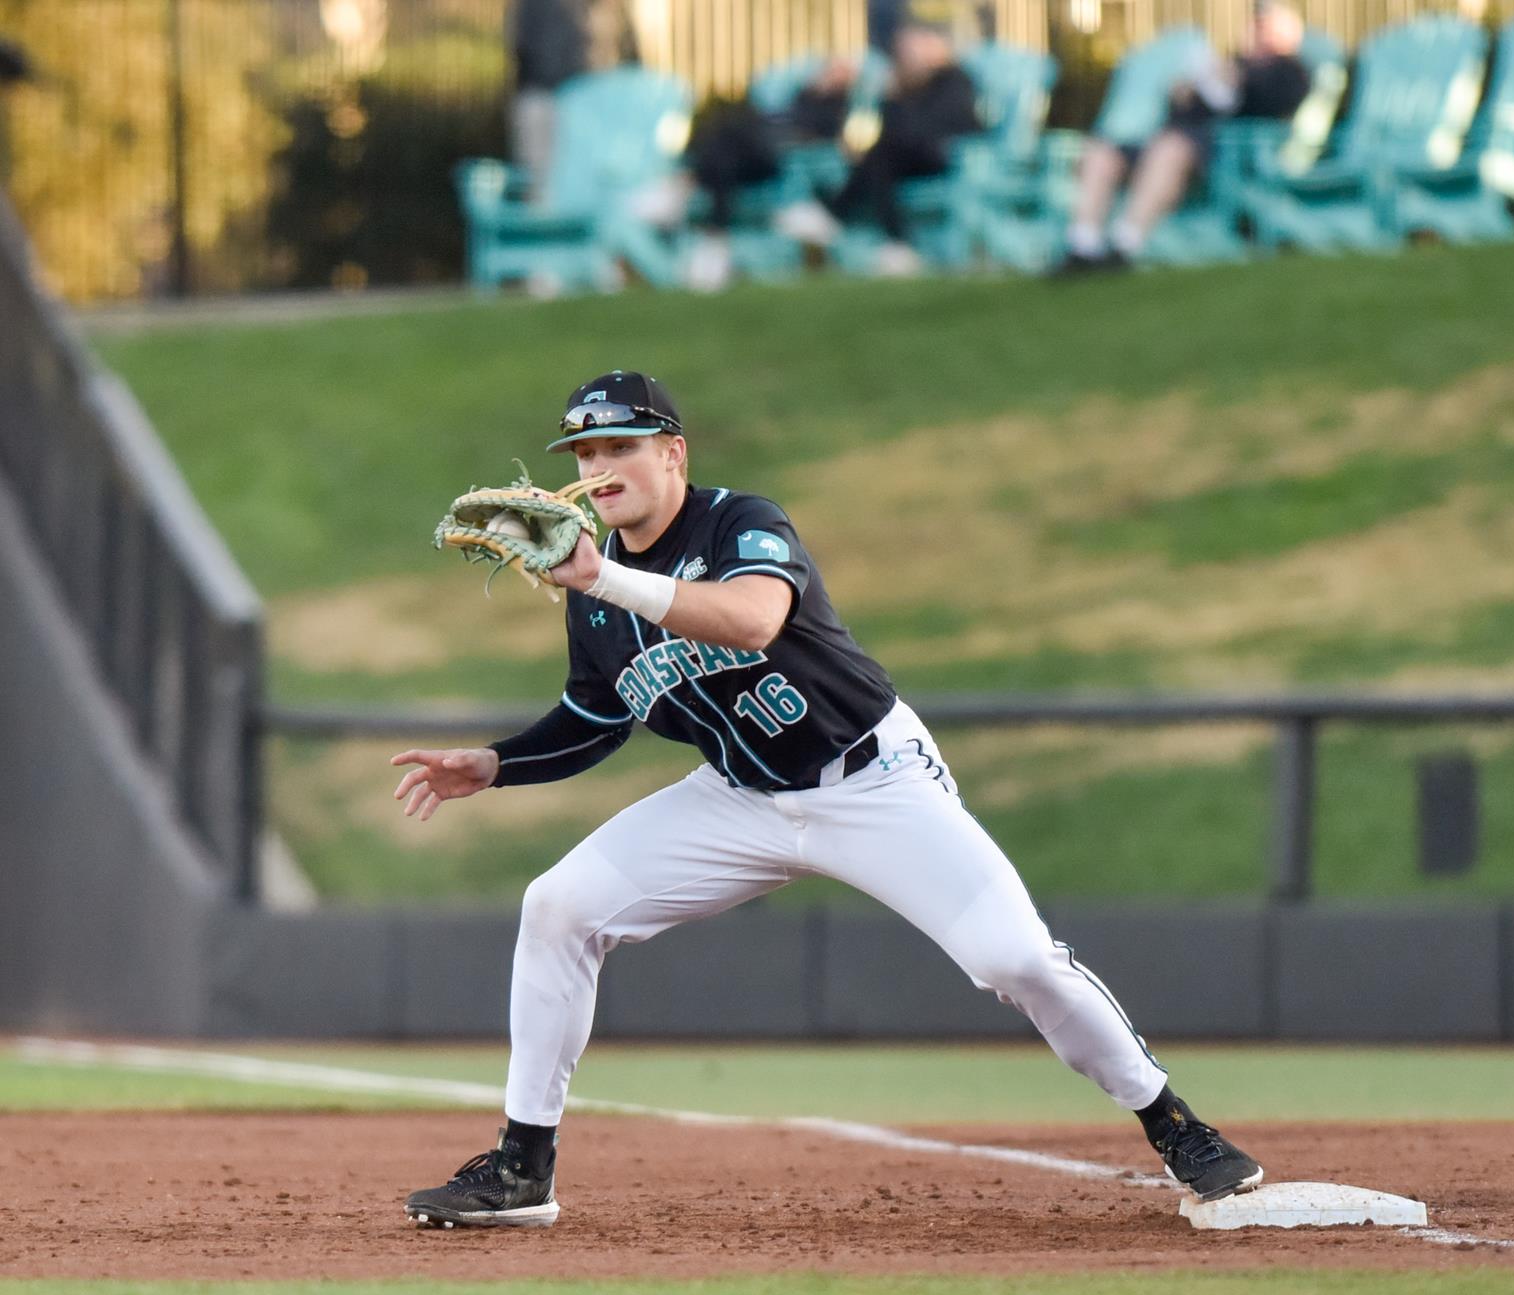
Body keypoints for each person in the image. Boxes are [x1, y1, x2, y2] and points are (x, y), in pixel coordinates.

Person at [394, 370, 1265, 1229]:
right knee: (558, 906)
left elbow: (751, 620)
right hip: (737, 800)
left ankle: (1173, 1122)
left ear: (674, 452)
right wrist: (494, 762)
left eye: (622, 445)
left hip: (870, 780)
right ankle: (522, 1165)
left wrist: (601, 580)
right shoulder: (595, 591)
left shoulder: (738, 522)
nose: (600, 467)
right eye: (585, 451)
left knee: (1015, 960)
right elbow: (596, 712)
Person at [1059, 3, 1310, 273]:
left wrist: (1239, 81)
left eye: (1265, 26)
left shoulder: (1289, 72)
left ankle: (1124, 244)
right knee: (1100, 152)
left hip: (1216, 145)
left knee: (1168, 150)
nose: (1257, 31)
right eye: (1256, 24)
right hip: (1155, 131)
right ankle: (1083, 245)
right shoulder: (1231, 60)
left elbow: (1269, 107)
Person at [631, 59, 859, 292]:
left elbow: (818, 133)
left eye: (841, 72)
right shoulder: (800, 93)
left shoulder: (835, 106)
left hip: (772, 154)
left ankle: (687, 193)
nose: (832, 75)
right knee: (723, 146)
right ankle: (711, 229)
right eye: (831, 69)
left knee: (725, 138)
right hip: (751, 146)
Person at [772, 22, 979, 277]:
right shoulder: (911, 85)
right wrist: (892, 97)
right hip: (906, 156)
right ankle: (895, 243)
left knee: (880, 154)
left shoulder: (954, 80)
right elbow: (896, 126)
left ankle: (835, 215)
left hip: (948, 155)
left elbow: (931, 127)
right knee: (879, 163)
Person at [506, 0, 636, 201]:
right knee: (541, 188)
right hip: (543, 97)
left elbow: (623, 47)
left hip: (591, 100)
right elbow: (523, 45)